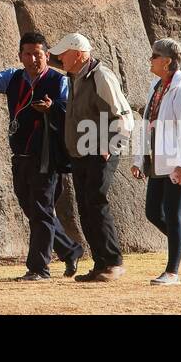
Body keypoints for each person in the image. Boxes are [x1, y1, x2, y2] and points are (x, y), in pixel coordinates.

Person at [0, 32, 85, 282]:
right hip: (20, 154)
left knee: (42, 211)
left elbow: (70, 111)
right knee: (32, 209)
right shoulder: (13, 78)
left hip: (46, 154)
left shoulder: (59, 80)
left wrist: (52, 108)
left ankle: (38, 268)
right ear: (20, 56)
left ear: (47, 55)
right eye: (28, 54)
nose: (33, 58)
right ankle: (70, 249)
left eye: (38, 54)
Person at [131, 37, 181, 285]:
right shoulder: (157, 87)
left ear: (167, 62)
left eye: (154, 56)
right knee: (153, 213)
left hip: (176, 162)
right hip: (157, 160)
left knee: (173, 215)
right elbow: (147, 124)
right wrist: (139, 159)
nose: (150, 60)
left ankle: (172, 272)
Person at [55, 32, 135, 283]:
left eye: (64, 53)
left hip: (100, 151)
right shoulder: (76, 76)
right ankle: (100, 263)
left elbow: (122, 116)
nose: (60, 58)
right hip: (81, 152)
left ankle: (113, 262)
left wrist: (110, 145)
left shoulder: (101, 76)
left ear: (78, 54)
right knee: (85, 207)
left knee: (96, 203)